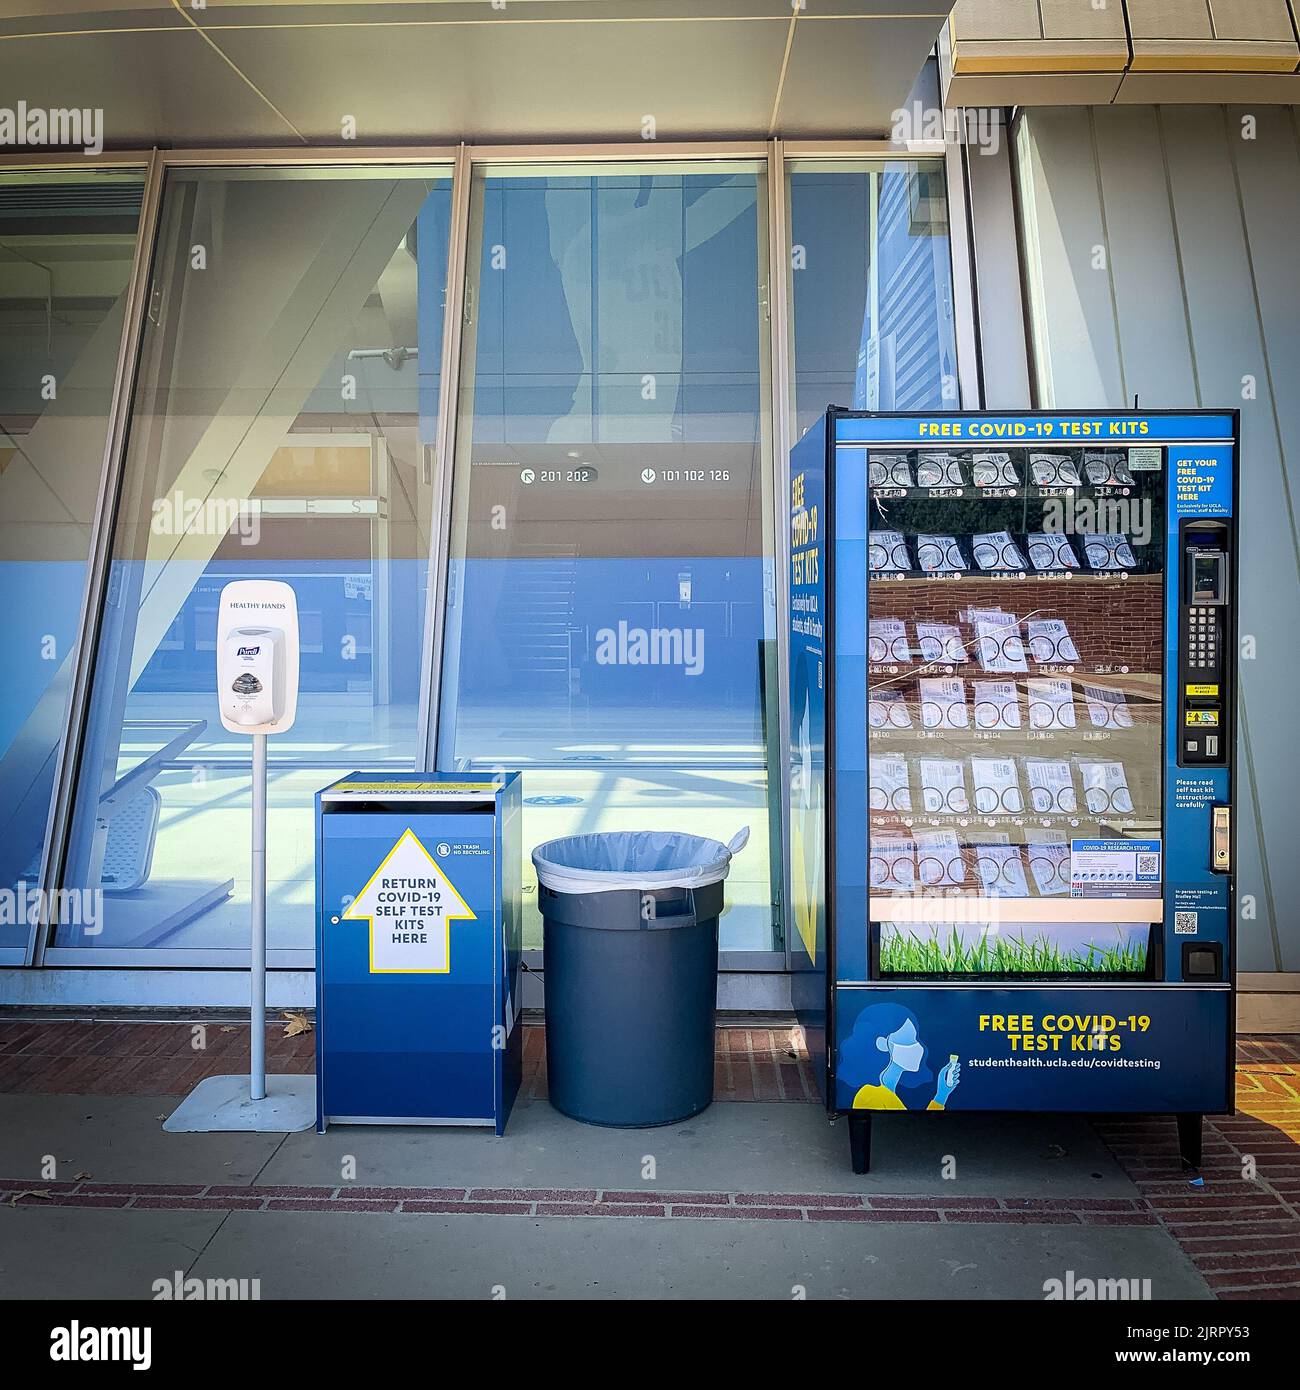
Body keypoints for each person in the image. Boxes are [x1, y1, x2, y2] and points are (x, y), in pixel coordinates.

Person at [840, 1002, 960, 1111]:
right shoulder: (870, 1094)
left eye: (916, 1039)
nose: (919, 1047)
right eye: (908, 1040)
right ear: (882, 1044)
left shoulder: (888, 1094)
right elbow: (915, 1132)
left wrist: (942, 1094)